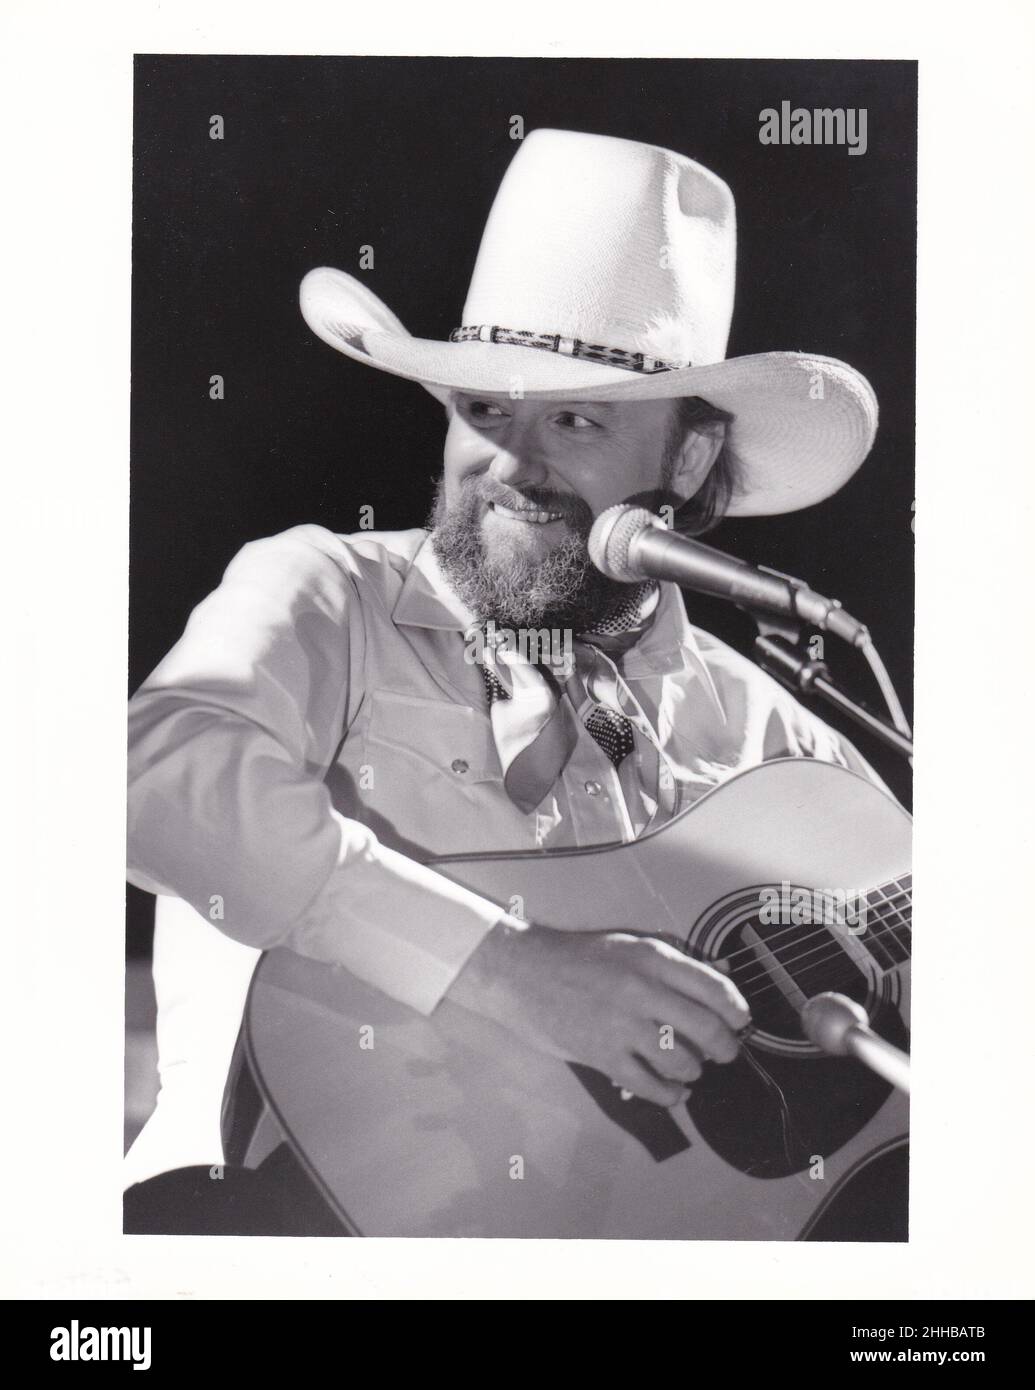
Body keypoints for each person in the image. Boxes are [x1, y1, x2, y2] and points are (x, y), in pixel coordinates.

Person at [124, 128, 889, 1234]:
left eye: (572, 420)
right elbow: (150, 775)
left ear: (681, 462)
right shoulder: (324, 593)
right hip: (275, 1228)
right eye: (485, 412)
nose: (512, 462)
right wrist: (509, 967)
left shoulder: (778, 737)